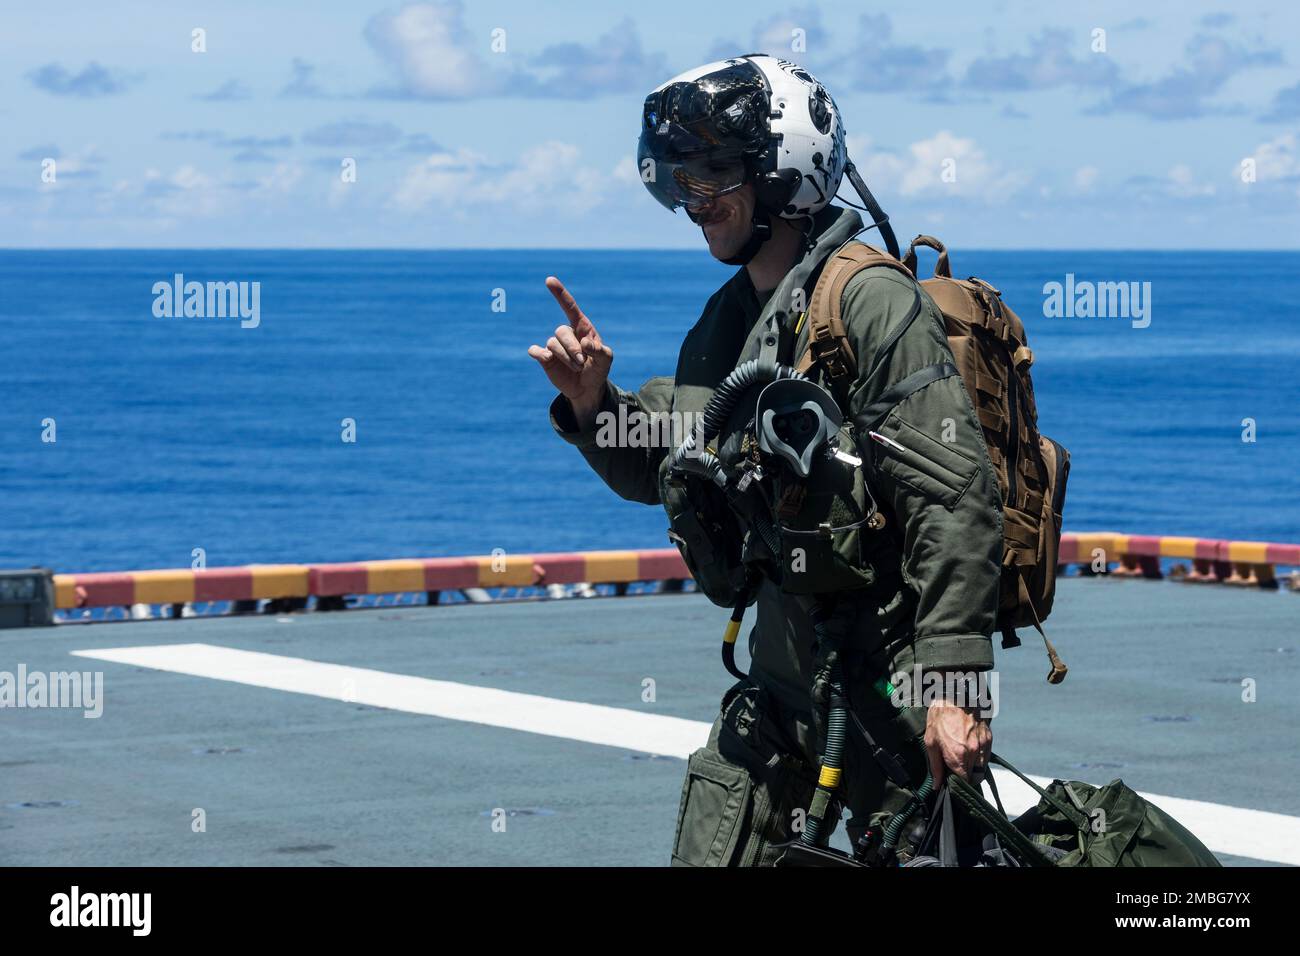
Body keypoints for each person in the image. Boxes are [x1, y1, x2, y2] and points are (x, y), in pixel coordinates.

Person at [528, 55, 1004, 866]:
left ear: (787, 172)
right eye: (683, 180)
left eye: (714, 175)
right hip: (783, 678)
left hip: (890, 681)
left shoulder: (869, 300)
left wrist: (955, 690)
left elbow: (955, 498)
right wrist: (592, 407)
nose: (695, 201)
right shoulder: (731, 321)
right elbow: (670, 460)